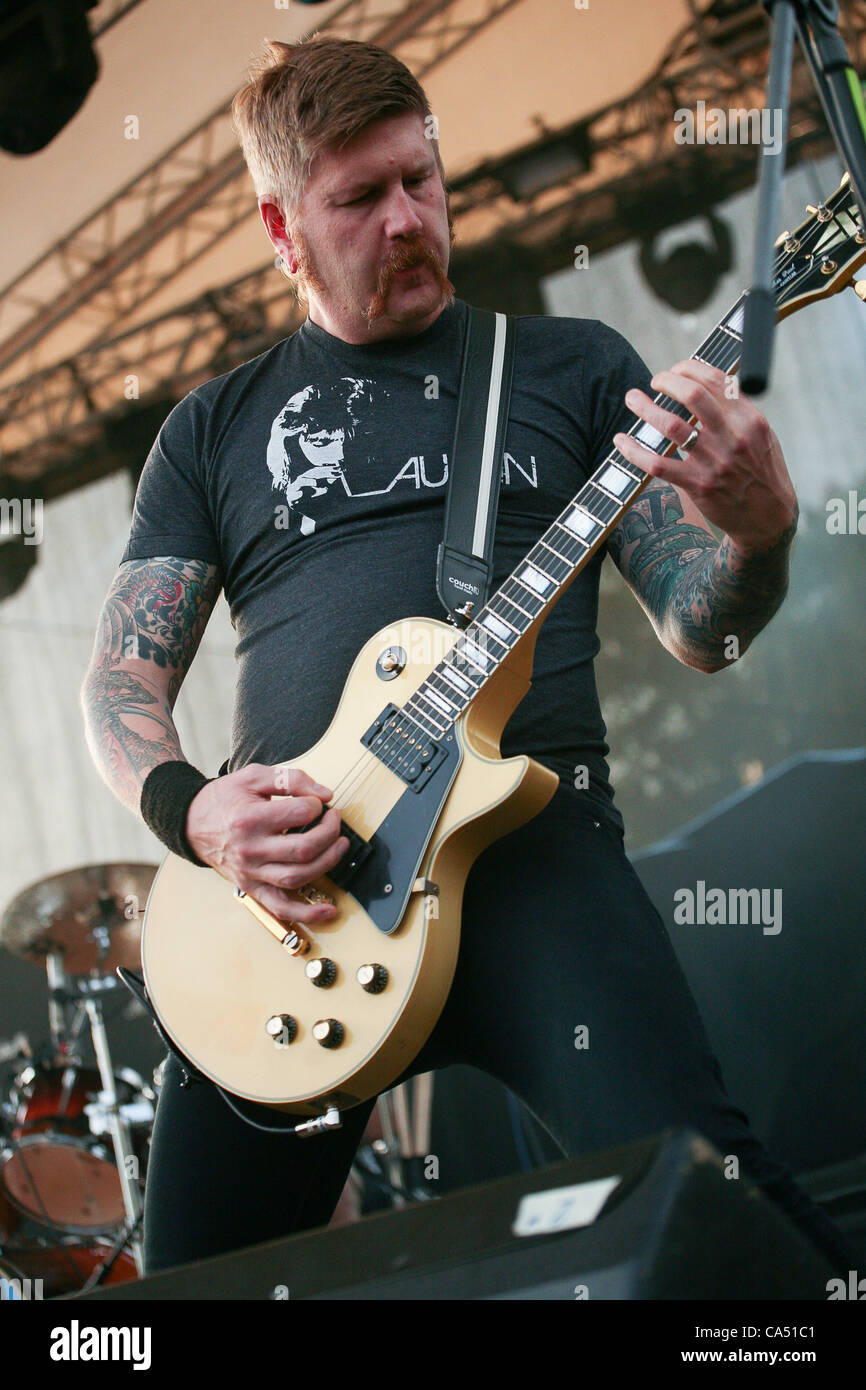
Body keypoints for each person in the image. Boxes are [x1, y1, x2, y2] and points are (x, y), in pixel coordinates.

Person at [81, 35, 856, 1282]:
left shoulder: (569, 367)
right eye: (359, 198)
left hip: (528, 857)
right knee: (189, 1289)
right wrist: (199, 813)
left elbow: (699, 628)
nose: (406, 220)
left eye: (420, 182)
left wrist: (759, 534)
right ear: (283, 228)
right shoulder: (210, 428)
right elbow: (120, 687)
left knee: (715, 1206)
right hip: (292, 900)